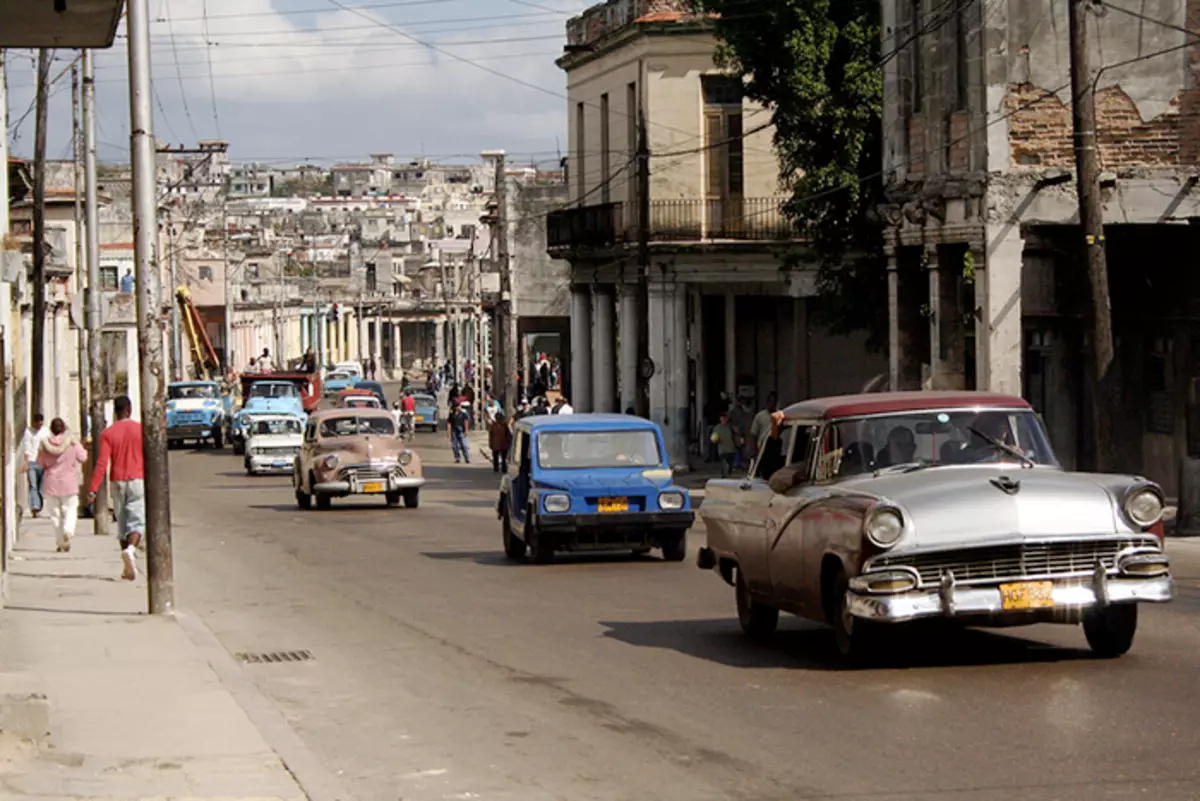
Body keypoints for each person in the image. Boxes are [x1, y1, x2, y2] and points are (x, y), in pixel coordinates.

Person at [88, 396, 145, 581]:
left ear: (116, 411)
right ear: (129, 409)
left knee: (121, 523)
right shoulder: (141, 430)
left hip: (117, 480)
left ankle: (127, 567)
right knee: (137, 522)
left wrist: (93, 489)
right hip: (137, 479)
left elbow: (102, 462)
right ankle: (131, 549)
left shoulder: (108, 433)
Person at [38, 419, 88, 552]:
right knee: (70, 508)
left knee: (55, 515)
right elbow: (83, 457)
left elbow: (40, 463)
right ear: (64, 429)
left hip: (51, 483)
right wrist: (77, 444)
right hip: (69, 482)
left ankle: (60, 543)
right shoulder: (71, 443)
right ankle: (68, 530)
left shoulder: (46, 444)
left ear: (51, 429)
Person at [20, 413, 50, 518]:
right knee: (33, 485)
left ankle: (40, 506)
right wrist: (26, 462)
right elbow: (27, 447)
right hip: (32, 461)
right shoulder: (28, 432)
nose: (39, 425)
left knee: (41, 487)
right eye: (37, 423)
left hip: (43, 462)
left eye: (40, 423)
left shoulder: (46, 431)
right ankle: (35, 506)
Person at [748, 391, 779, 458]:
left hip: (775, 448)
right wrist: (754, 451)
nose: (773, 404)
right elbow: (753, 434)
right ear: (767, 402)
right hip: (762, 448)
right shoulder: (760, 416)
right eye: (771, 401)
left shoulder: (779, 415)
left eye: (775, 402)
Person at [711, 412, 738, 478]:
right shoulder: (717, 427)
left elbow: (737, 434)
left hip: (731, 449)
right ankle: (724, 476)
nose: (724, 420)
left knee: (730, 465)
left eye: (725, 418)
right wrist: (714, 440)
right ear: (720, 419)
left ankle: (728, 474)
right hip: (722, 449)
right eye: (722, 419)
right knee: (724, 464)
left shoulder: (730, 426)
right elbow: (714, 437)